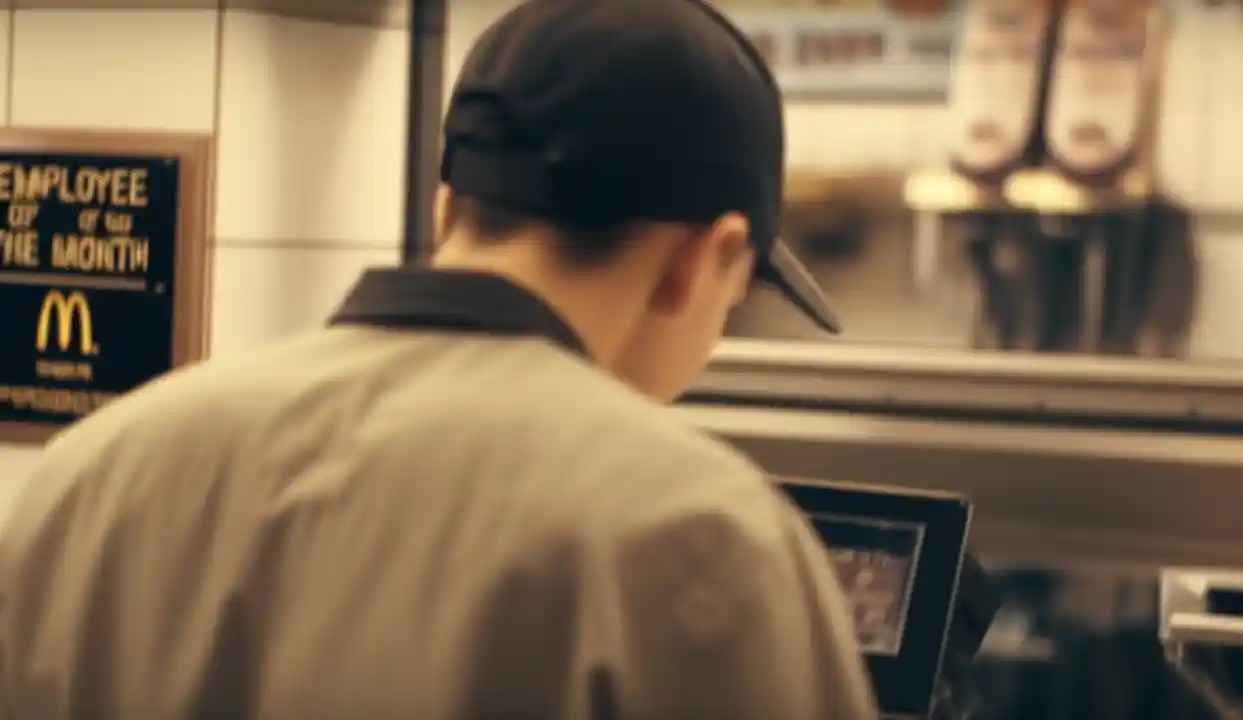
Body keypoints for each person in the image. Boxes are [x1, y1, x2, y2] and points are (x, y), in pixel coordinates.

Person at [0, 0, 878, 717]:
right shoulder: (701, 541)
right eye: (738, 290)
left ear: (448, 207)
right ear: (702, 261)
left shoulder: (94, 475)